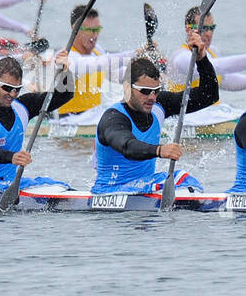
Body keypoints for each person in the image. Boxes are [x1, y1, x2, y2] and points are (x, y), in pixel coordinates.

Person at [92, 34, 217, 195]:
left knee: (184, 181)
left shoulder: (159, 104)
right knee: (181, 178)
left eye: (156, 91)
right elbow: (127, 146)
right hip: (111, 191)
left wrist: (202, 59)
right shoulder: (113, 118)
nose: (152, 97)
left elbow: (209, 95)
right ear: (127, 87)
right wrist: (160, 150)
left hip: (144, 190)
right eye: (145, 91)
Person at [0, 56, 73, 190]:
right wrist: (12, 157)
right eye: (7, 88)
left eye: (17, 89)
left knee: (61, 187)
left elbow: (65, 95)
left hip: (11, 184)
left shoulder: (23, 107)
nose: (12, 94)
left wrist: (65, 72)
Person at [50, 5, 147, 123]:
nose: (94, 35)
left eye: (97, 30)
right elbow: (98, 63)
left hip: (93, 115)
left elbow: (114, 75)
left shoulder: (97, 50)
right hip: (69, 120)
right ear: (75, 29)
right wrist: (135, 53)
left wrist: (142, 74)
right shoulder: (65, 57)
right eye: (90, 30)